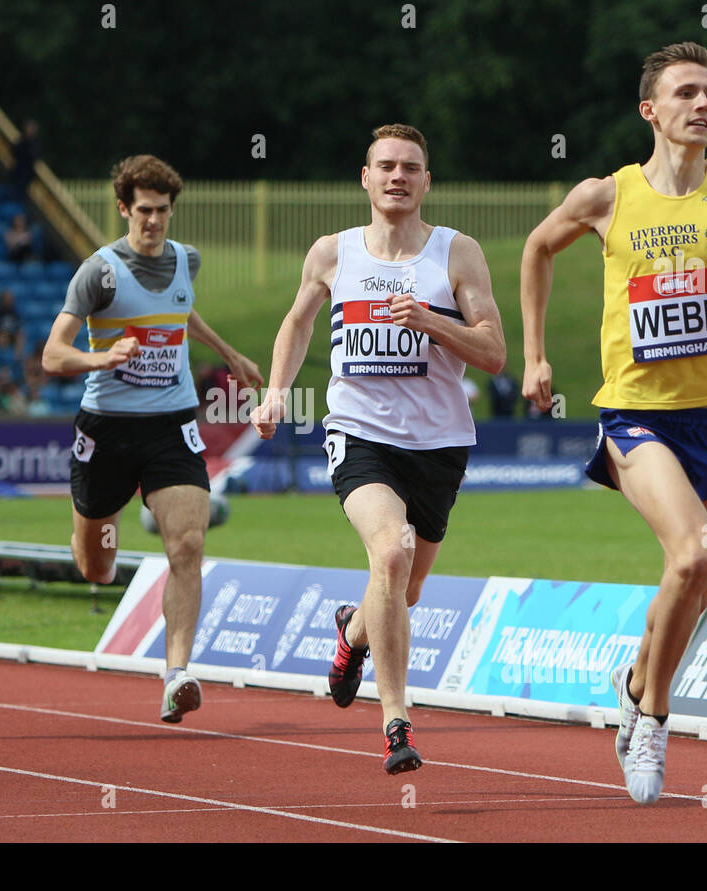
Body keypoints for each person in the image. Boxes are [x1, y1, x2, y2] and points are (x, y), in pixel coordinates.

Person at [521, 42, 707, 804]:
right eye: (686, 92)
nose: (703, 104)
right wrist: (533, 355)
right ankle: (653, 722)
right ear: (650, 110)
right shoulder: (607, 196)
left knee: (696, 577)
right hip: (637, 416)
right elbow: (535, 249)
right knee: (692, 556)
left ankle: (631, 679)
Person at [251, 124, 505, 773]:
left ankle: (351, 633)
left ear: (427, 182)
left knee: (404, 587)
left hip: (440, 445)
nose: (397, 176)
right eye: (386, 166)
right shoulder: (333, 254)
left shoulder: (456, 254)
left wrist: (428, 319)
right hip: (359, 435)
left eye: (410, 167)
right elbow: (298, 320)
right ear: (365, 178)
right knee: (390, 550)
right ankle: (397, 722)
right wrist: (277, 392)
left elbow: (496, 354)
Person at [42, 154, 262, 724]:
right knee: (97, 566)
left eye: (163, 211)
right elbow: (52, 353)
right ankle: (88, 540)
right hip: (107, 429)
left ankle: (176, 676)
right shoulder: (99, 272)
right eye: (144, 211)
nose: (154, 221)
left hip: (171, 423)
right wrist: (102, 356)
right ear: (123, 208)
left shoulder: (186, 260)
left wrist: (229, 353)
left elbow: (180, 311)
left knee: (188, 544)